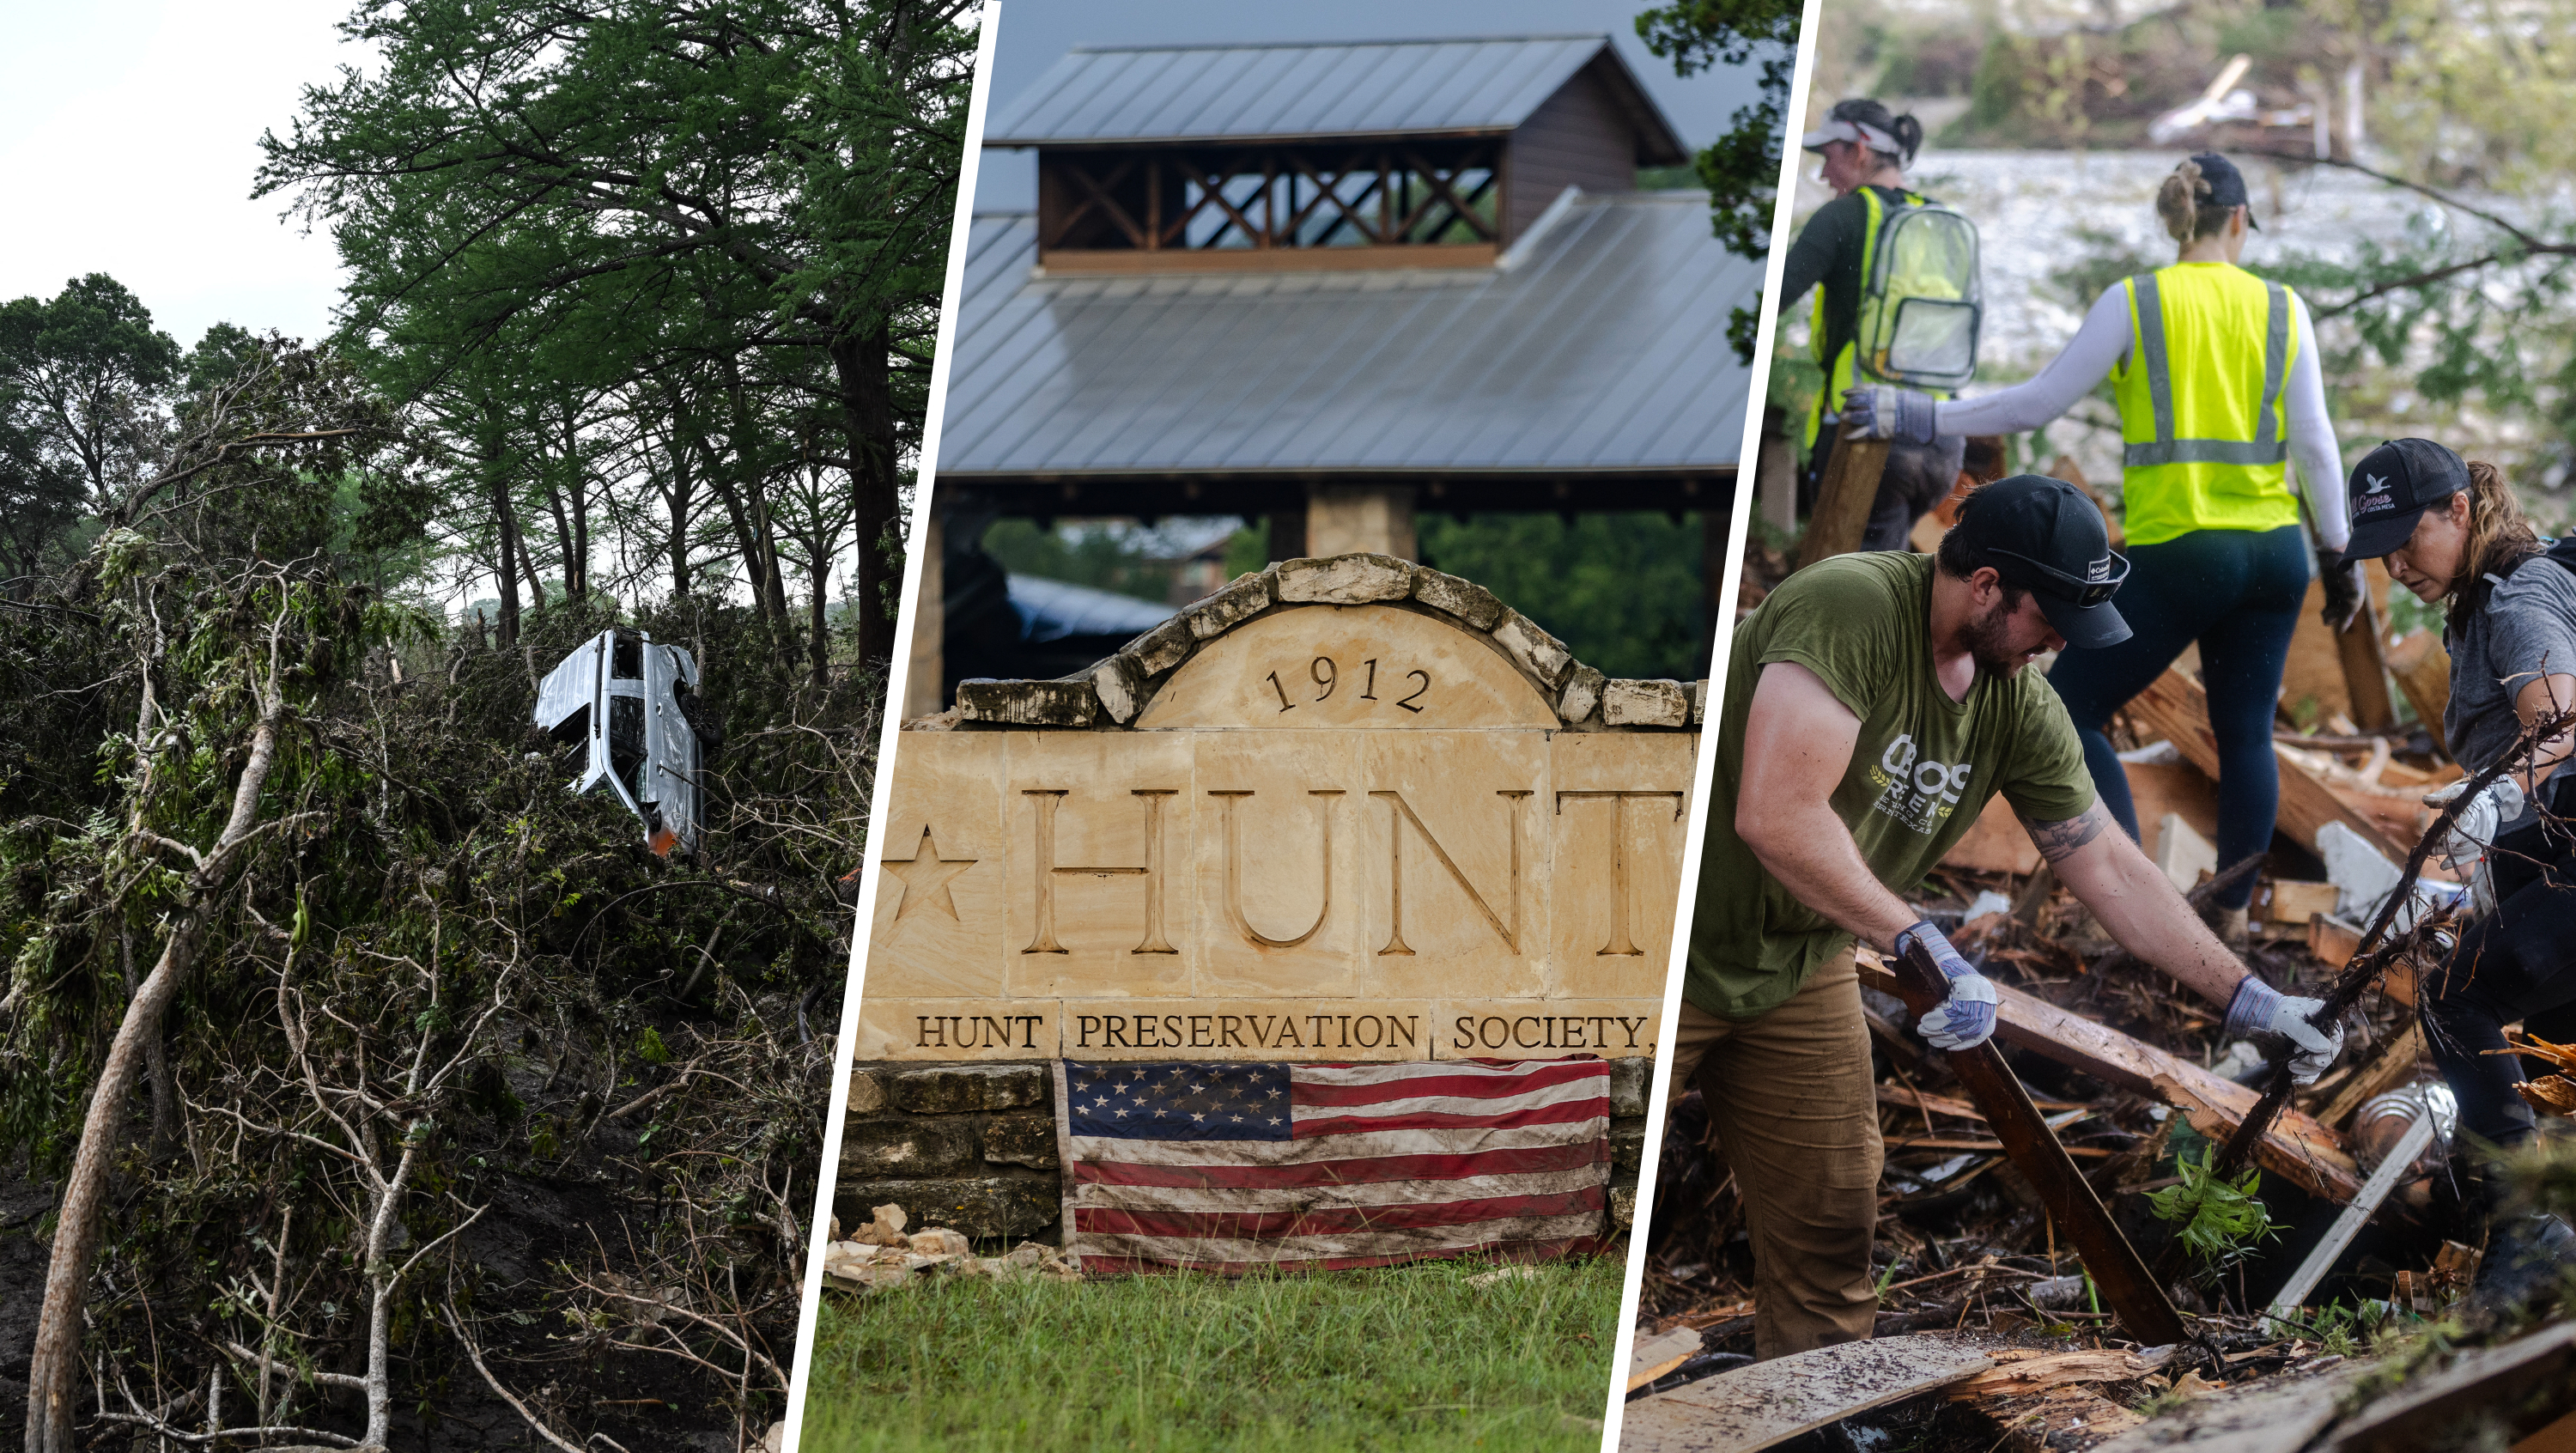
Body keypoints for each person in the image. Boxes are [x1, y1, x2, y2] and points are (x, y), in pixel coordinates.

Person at [1676, 473, 2345, 1359]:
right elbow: (1777, 815)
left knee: (1832, 1218)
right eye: (2052, 618)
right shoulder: (1851, 608)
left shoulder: (2016, 700)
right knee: (1575, 1168)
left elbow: (2105, 862)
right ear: (1987, 585)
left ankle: (1807, 1412)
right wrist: (1918, 939)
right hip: (1670, 938)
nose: (2063, 642)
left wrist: (2249, 998)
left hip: (1795, 961)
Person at [1845, 153, 2359, 944]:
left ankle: (2136, 898)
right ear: (2239, 221)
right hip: (2275, 555)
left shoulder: (2137, 302)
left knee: (2072, 705)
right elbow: (2319, 450)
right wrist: (2339, 558)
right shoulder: (2285, 308)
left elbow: (2036, 403)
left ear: (2172, 222)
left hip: (2186, 548)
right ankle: (2227, 916)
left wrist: (1909, 413)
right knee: (2247, 732)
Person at [2335, 437, 2576, 1299]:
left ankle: (2530, 1231)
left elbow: (2560, 723)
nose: (2397, 565)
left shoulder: (2516, 604)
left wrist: (2491, 801)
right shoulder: (2482, 601)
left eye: (2410, 539)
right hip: (2552, 865)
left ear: (2461, 512)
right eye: (2382, 552)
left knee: (2456, 997)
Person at [1777, 98, 1965, 550]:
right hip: (1941, 441)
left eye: (1829, 158)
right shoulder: (1941, 219)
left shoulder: (1842, 217)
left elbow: (1767, 302)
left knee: (1849, 589)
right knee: (1886, 571)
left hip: (1867, 437)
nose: (1824, 175)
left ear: (1860, 149)